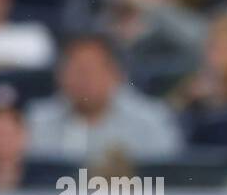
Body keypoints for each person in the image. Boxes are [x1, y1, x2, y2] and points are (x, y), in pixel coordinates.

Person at [24, 34, 184, 163]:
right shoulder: (36, 120)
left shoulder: (151, 120)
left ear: (116, 74)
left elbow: (167, 177)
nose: (82, 79)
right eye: (76, 70)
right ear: (60, 75)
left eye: (90, 70)